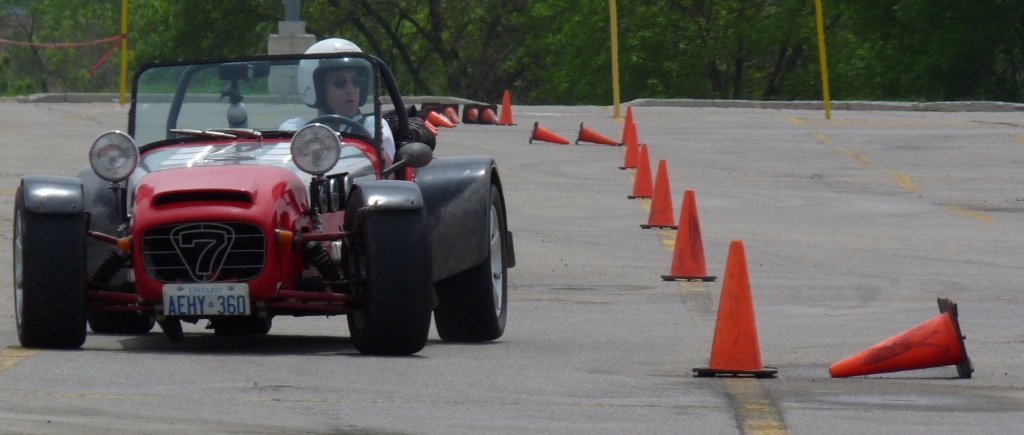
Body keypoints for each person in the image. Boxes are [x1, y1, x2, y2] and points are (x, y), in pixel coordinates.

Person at [280, 38, 396, 160]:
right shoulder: (296, 128)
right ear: (317, 87)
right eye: (339, 82)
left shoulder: (373, 126)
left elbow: (382, 166)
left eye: (357, 81)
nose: (351, 89)